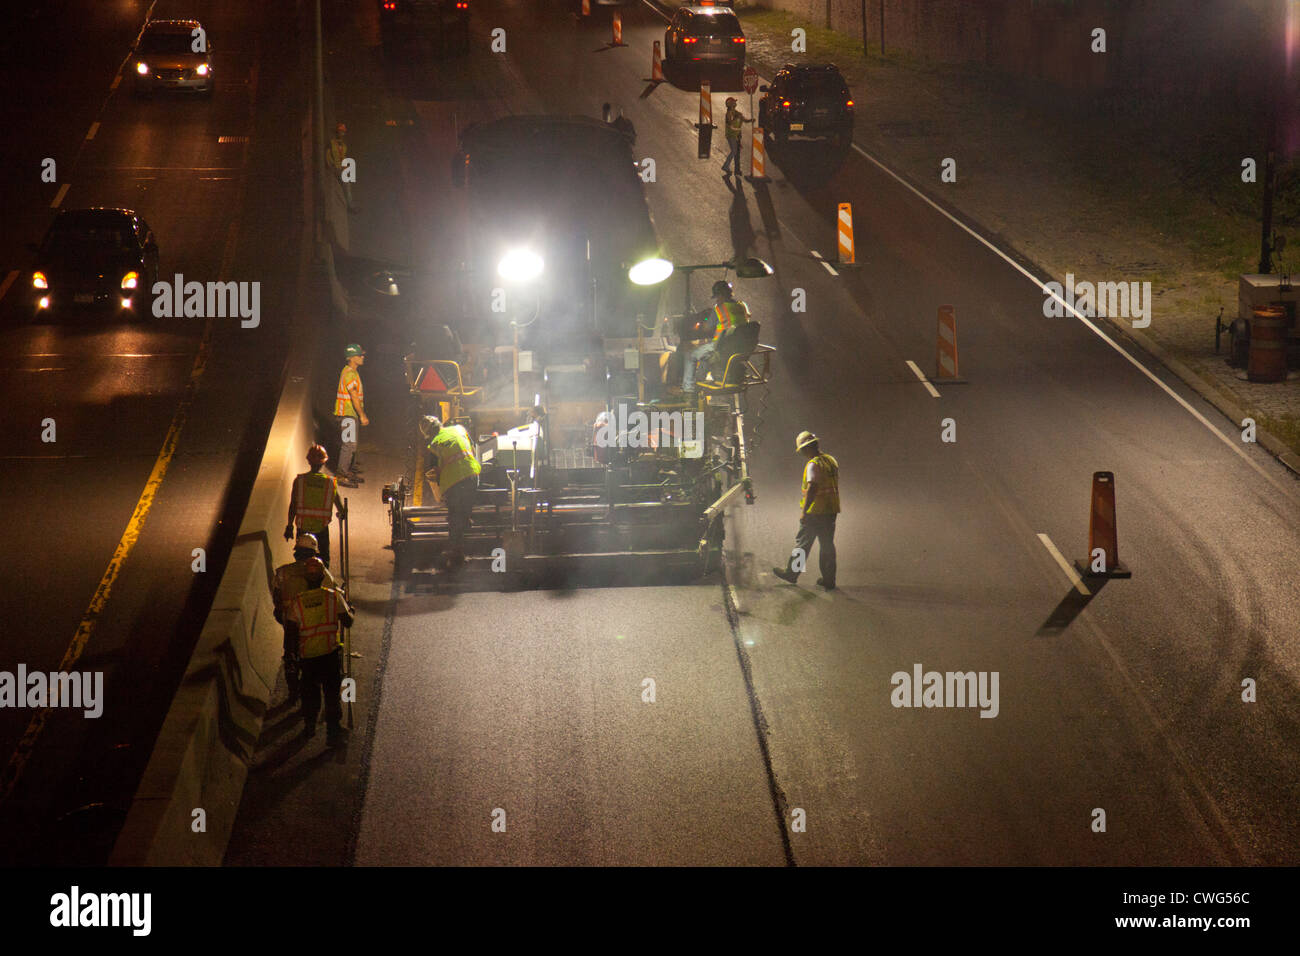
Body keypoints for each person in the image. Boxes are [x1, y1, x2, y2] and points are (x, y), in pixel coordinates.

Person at [283, 557, 354, 745]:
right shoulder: (332, 596)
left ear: (306, 578)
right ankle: (333, 733)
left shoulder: (297, 602)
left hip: (308, 657)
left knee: (310, 694)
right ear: (323, 576)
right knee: (331, 694)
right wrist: (350, 609)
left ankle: (309, 727)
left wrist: (291, 657)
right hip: (330, 654)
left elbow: (290, 632)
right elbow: (348, 621)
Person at [270, 533, 338, 700]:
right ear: (314, 553)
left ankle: (293, 691)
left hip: (290, 623)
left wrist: (283, 615)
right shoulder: (321, 573)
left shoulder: (282, 572)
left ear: (296, 552)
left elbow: (276, 597)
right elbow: (333, 595)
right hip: (314, 626)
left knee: (290, 655)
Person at [773, 430, 840, 590]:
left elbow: (812, 488)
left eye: (802, 450)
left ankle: (792, 574)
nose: (802, 454)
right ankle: (829, 580)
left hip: (814, 511)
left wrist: (804, 511)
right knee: (827, 545)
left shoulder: (813, 464)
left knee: (803, 543)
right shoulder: (831, 461)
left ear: (806, 448)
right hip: (831, 509)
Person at [420, 415, 481, 571]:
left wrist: (442, 491)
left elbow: (435, 473)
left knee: (454, 517)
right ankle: (466, 520)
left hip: (454, 483)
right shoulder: (459, 429)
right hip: (472, 475)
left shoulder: (434, 445)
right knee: (464, 512)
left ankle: (456, 556)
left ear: (429, 434)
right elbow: (473, 448)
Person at [285, 444, 348, 567]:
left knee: (301, 563)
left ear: (308, 461)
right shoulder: (330, 483)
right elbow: (340, 506)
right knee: (323, 563)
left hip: (302, 529)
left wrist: (289, 526)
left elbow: (293, 505)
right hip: (321, 530)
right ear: (323, 463)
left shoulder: (300, 481)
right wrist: (342, 513)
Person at [682, 280, 751, 393]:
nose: (717, 300)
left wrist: (706, 318)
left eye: (717, 297)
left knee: (690, 355)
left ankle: (687, 389)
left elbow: (706, 328)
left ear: (721, 295)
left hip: (722, 347)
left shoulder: (719, 309)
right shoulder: (743, 306)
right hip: (741, 348)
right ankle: (699, 381)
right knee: (705, 353)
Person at [334, 344, 368, 484]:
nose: (363, 357)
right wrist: (362, 415)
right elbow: (354, 396)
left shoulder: (351, 372)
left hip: (349, 415)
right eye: (360, 355)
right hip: (347, 415)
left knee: (351, 445)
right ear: (352, 358)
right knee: (348, 445)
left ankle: (347, 471)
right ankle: (341, 475)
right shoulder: (350, 374)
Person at [327, 122, 355, 212]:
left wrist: (345, 167)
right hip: (335, 167)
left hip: (341, 168)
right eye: (340, 131)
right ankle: (349, 206)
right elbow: (328, 155)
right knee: (345, 185)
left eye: (343, 132)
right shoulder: (331, 143)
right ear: (337, 132)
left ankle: (349, 205)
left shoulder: (344, 146)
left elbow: (343, 157)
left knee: (347, 185)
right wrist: (331, 165)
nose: (342, 134)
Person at [722, 97, 751, 181]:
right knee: (734, 151)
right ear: (731, 104)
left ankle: (736, 170)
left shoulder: (736, 113)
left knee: (736, 152)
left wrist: (749, 120)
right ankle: (726, 166)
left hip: (737, 135)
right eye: (734, 102)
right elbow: (730, 123)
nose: (735, 103)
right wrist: (738, 118)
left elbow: (744, 119)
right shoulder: (729, 114)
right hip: (731, 135)